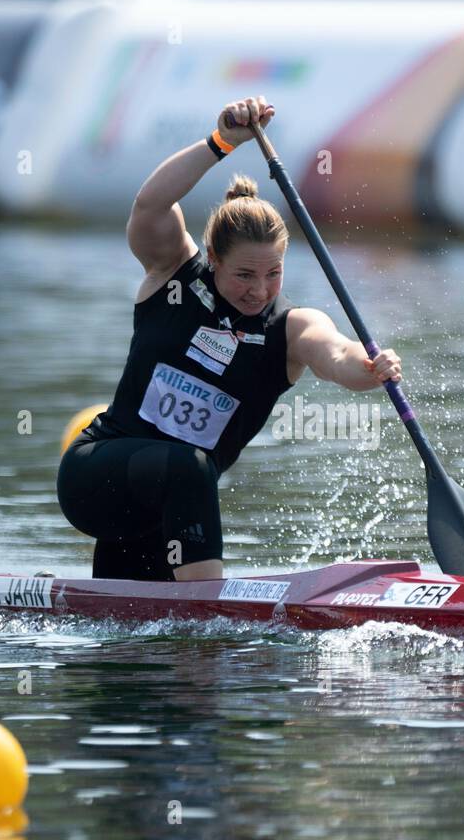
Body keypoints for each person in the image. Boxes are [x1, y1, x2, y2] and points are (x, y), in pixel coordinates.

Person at [58, 96, 402, 581]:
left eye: (273, 273)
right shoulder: (173, 275)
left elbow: (336, 353)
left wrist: (368, 369)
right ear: (213, 259)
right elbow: (150, 203)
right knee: (190, 466)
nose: (259, 291)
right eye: (244, 274)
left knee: (135, 649)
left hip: (162, 518)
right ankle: (214, 626)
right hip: (96, 479)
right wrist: (220, 143)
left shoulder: (291, 327)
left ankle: (177, 634)